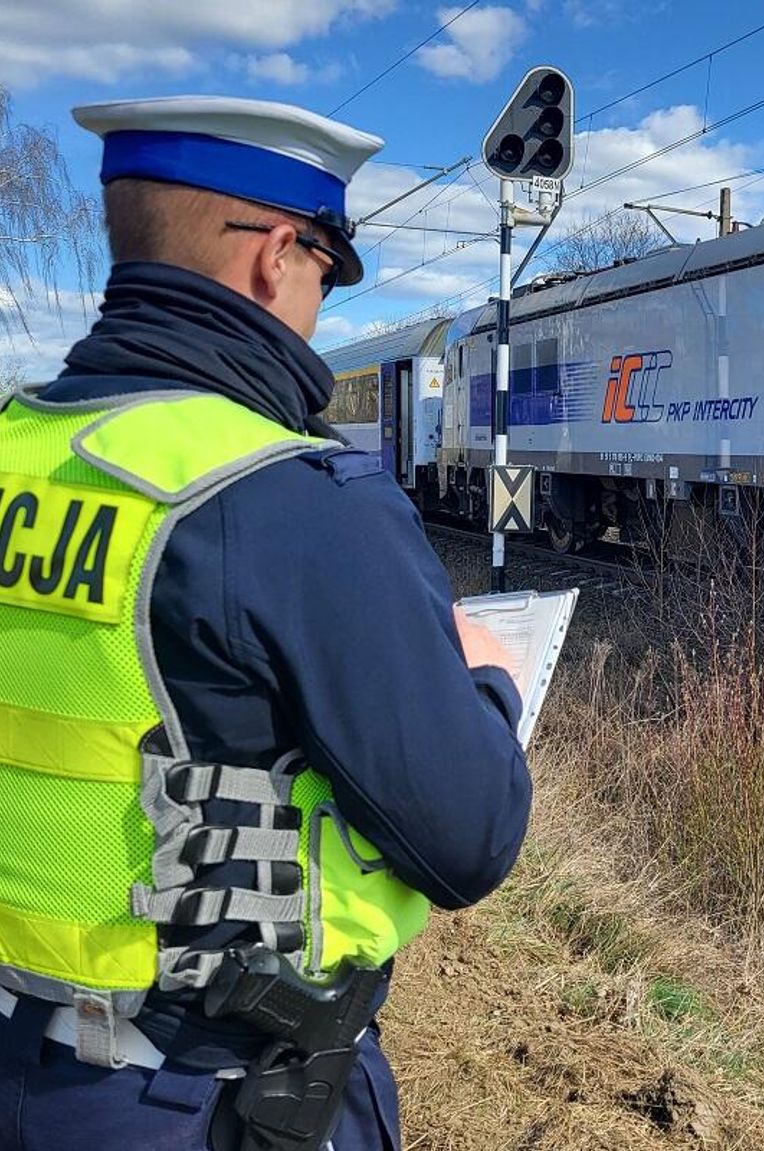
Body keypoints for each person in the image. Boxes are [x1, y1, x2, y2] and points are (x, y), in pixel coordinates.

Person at [0, 96, 532, 1150]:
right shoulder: (289, 501)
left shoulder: (16, 447)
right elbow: (469, 835)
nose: (317, 307)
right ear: (275, 255)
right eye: (325, 276)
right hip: (196, 1099)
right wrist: (488, 679)